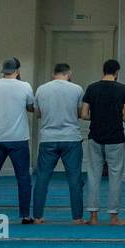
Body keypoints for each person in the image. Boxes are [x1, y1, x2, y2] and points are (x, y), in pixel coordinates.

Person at [0, 58, 36, 225]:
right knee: (23, 177)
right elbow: (30, 107)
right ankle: (25, 215)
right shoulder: (25, 86)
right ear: (17, 71)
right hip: (18, 139)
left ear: (3, 70)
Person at [32, 63, 86, 224]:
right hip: (71, 139)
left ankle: (37, 216)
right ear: (69, 74)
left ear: (53, 74)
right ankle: (77, 218)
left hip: (48, 138)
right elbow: (79, 113)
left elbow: (38, 113)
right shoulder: (77, 89)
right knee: (75, 179)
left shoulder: (41, 89)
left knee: (42, 178)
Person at [83, 59, 125, 226]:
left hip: (95, 137)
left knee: (93, 176)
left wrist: (96, 116)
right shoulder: (123, 89)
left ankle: (93, 216)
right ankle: (113, 217)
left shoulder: (92, 88)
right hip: (116, 139)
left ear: (103, 71)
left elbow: (84, 114)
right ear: (117, 72)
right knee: (115, 177)